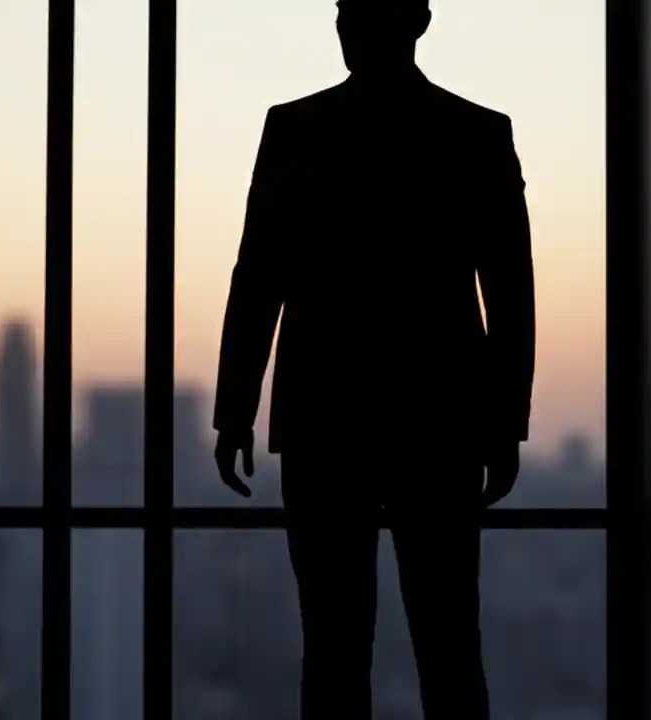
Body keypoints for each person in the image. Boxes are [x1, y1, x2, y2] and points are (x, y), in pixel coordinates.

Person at [212, 0, 535, 717]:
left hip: (326, 418)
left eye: (350, 12)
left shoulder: (297, 129)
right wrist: (503, 425)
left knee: (333, 647)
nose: (344, 27)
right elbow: (509, 297)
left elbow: (259, 276)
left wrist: (236, 410)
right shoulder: (475, 133)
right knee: (448, 645)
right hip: (438, 420)